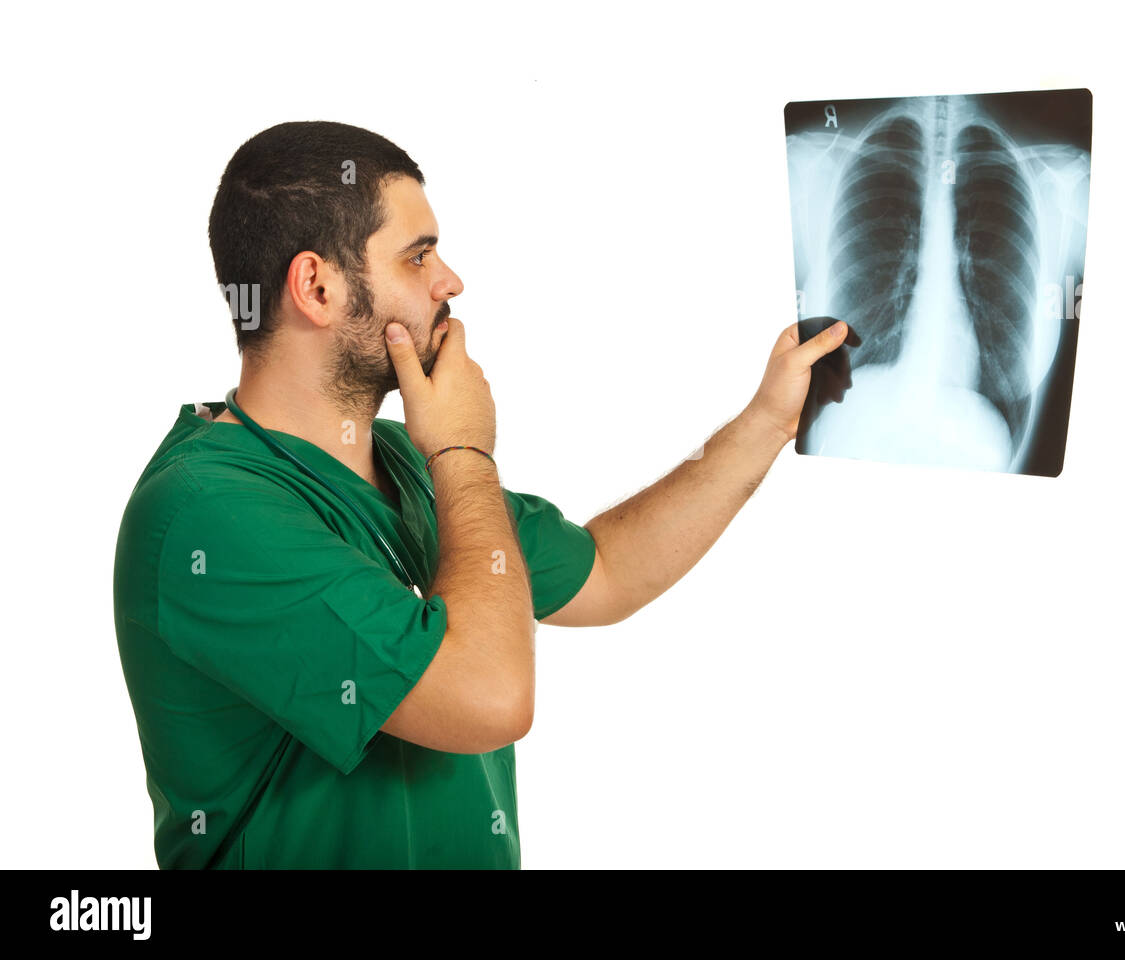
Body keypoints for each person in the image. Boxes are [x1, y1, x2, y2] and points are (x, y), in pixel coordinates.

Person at [112, 120, 850, 869]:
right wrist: (463, 450)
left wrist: (766, 421)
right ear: (318, 287)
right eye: (418, 255)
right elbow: (491, 699)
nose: (450, 282)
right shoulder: (206, 512)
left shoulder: (400, 460)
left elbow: (604, 571)